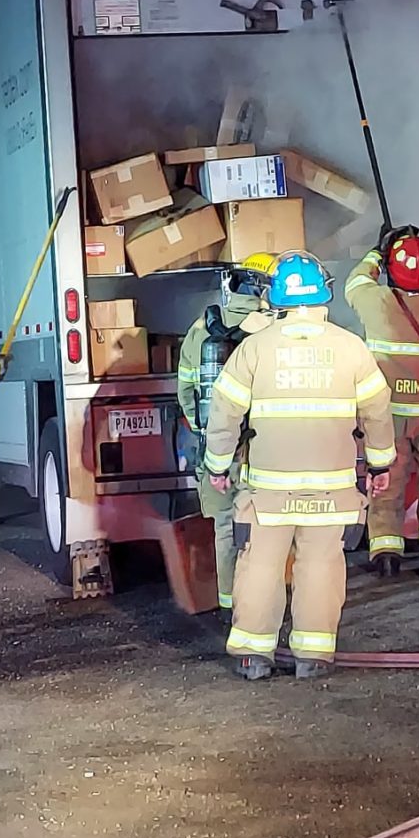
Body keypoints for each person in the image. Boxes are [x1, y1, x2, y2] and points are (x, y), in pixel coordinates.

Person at [201, 250, 396, 680]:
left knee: (260, 563)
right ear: (324, 294)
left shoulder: (254, 349)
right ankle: (313, 656)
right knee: (322, 563)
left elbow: (224, 410)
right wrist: (380, 465)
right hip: (332, 487)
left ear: (277, 297)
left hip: (269, 489)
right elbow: (378, 411)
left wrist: (217, 464)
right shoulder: (352, 349)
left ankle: (254, 655)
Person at [345, 225, 419, 578]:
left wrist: (376, 253)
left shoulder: (378, 303)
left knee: (386, 481)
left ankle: (386, 553)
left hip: (388, 417)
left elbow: (355, 283)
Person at [176, 253, 277, 616]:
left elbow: (187, 390)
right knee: (266, 530)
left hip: (215, 449)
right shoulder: (273, 330)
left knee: (223, 526)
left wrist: (202, 429)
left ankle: (228, 605)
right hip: (260, 450)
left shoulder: (202, 328)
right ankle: (266, 605)